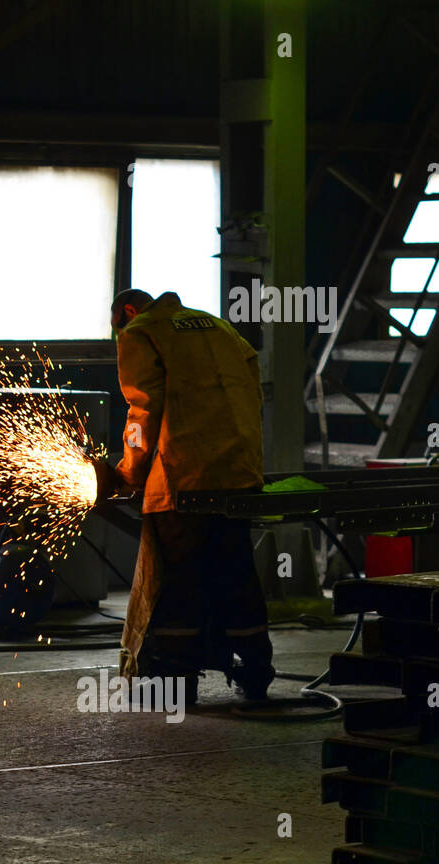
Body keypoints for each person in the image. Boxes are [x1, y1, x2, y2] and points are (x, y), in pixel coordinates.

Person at [95, 289, 275, 700]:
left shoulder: (142, 331)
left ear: (127, 312)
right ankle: (255, 669)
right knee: (235, 570)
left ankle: (175, 679)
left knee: (177, 578)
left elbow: (143, 409)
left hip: (184, 477)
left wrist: (130, 472)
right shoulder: (220, 327)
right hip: (238, 472)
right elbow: (251, 395)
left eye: (116, 328)